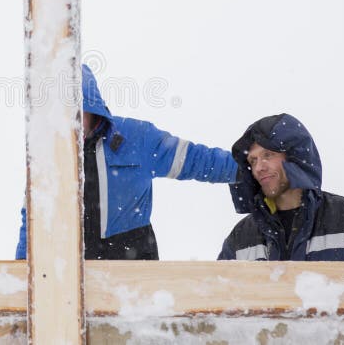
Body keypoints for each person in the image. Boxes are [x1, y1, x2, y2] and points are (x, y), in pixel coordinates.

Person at [15, 64, 239, 260]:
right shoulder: (46, 157)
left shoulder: (138, 138)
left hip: (133, 271)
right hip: (71, 276)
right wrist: (22, 273)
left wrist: (249, 170)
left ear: (90, 104)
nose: (68, 122)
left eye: (74, 111)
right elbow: (32, 222)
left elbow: (198, 160)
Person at [218, 113, 344, 261]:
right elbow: (218, 295)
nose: (259, 167)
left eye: (268, 155)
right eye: (253, 160)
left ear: (294, 157)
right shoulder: (241, 238)